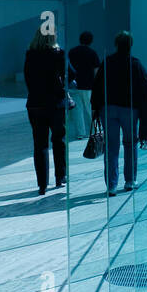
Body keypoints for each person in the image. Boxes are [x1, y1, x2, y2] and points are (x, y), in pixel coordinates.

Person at [91, 31, 147, 196]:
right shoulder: (136, 64)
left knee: (111, 146)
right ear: (131, 45)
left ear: (116, 44)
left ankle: (111, 185)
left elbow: (97, 86)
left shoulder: (107, 62)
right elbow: (146, 90)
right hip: (129, 109)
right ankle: (130, 180)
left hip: (108, 109)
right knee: (130, 144)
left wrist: (95, 108)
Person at [23, 29, 68, 195]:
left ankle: (42, 184)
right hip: (55, 104)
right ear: (53, 36)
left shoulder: (30, 54)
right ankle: (60, 177)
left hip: (35, 104)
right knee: (59, 140)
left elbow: (27, 77)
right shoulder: (58, 54)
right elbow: (69, 75)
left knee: (40, 144)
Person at [67, 30, 100, 139]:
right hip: (88, 86)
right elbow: (96, 71)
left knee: (78, 111)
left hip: (74, 85)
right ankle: (95, 131)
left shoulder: (72, 52)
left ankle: (80, 133)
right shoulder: (92, 53)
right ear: (91, 41)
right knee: (90, 109)